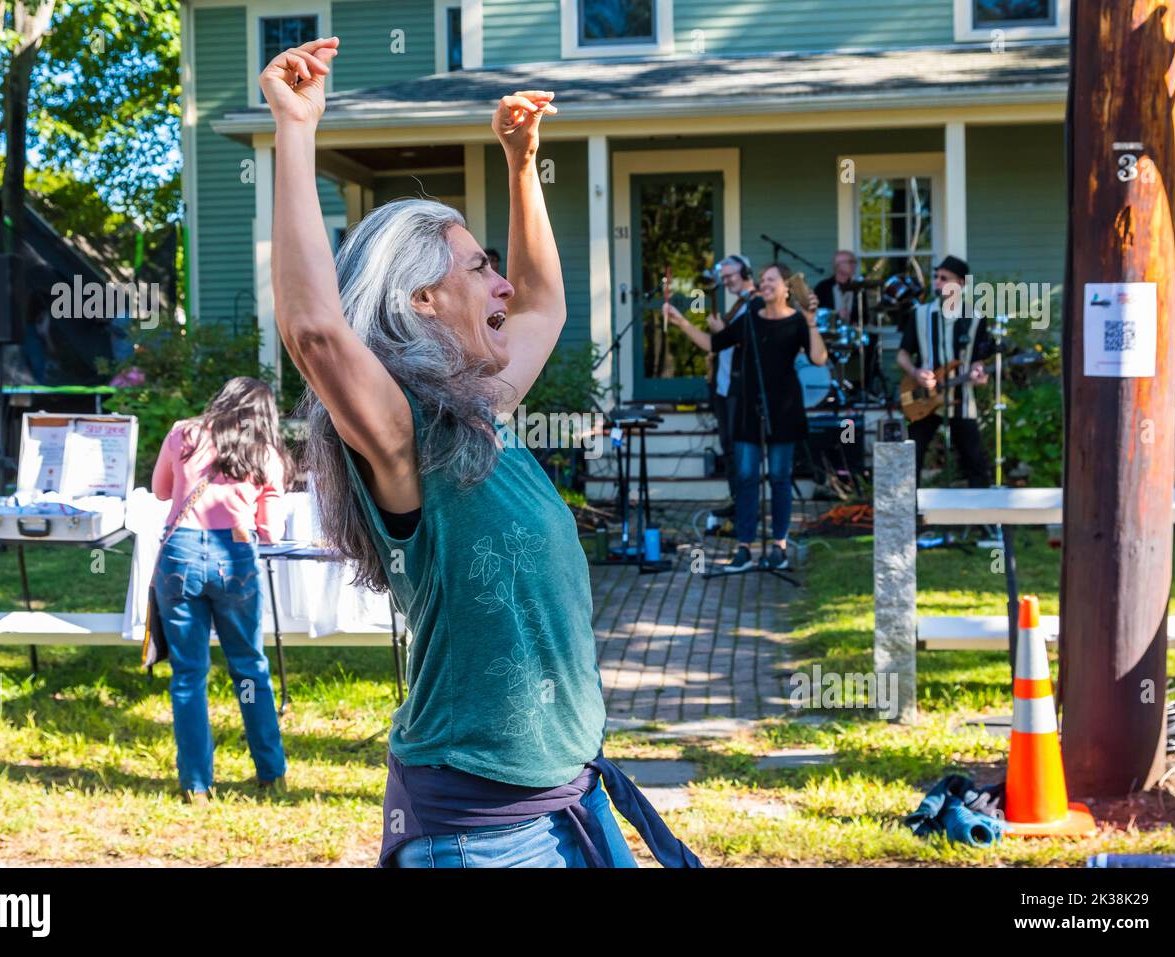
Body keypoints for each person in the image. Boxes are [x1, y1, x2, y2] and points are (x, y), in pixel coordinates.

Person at [261, 36, 700, 868]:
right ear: (421, 300)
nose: (501, 286)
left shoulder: (481, 412)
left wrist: (521, 163)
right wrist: (295, 128)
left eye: (494, 268)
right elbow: (317, 331)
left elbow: (545, 305)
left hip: (571, 801)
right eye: (478, 270)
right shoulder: (404, 439)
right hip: (482, 834)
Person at [150, 376, 291, 802]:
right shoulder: (266, 453)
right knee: (250, 667)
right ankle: (272, 773)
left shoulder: (183, 433)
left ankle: (196, 784)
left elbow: (160, 491)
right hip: (235, 557)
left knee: (188, 675)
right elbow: (269, 530)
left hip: (180, 554)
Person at [667, 263, 827, 572]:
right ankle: (743, 548)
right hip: (748, 410)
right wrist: (681, 322)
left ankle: (778, 547)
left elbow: (819, 358)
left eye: (771, 280)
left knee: (780, 479)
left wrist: (811, 322)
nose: (764, 285)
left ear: (786, 288)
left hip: (783, 409)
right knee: (746, 478)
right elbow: (713, 344)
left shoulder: (797, 322)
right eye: (763, 280)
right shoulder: (750, 319)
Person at [896, 255, 996, 488]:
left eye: (944, 278)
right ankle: (910, 516)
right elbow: (902, 354)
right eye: (936, 277)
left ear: (960, 284)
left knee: (974, 459)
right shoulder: (920, 314)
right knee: (911, 457)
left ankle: (982, 520)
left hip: (960, 396)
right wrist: (916, 372)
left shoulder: (976, 317)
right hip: (925, 398)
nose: (937, 283)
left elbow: (977, 359)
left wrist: (979, 372)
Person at [667, 255, 755, 514]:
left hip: (740, 389)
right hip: (723, 385)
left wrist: (683, 322)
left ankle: (744, 505)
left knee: (737, 449)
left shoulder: (753, 305)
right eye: (723, 277)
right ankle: (736, 500)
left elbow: (716, 343)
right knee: (728, 447)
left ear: (746, 273)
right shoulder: (738, 307)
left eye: (731, 276)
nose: (726, 282)